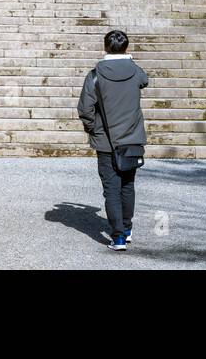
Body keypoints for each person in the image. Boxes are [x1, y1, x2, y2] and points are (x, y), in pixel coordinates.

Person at [77, 29, 148, 251]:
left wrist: (93, 128)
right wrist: (129, 61)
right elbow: (144, 81)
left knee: (111, 188)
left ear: (106, 47)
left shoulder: (95, 74)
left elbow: (85, 108)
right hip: (132, 139)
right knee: (128, 185)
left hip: (106, 140)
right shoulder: (135, 71)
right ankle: (126, 230)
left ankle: (117, 237)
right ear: (126, 48)